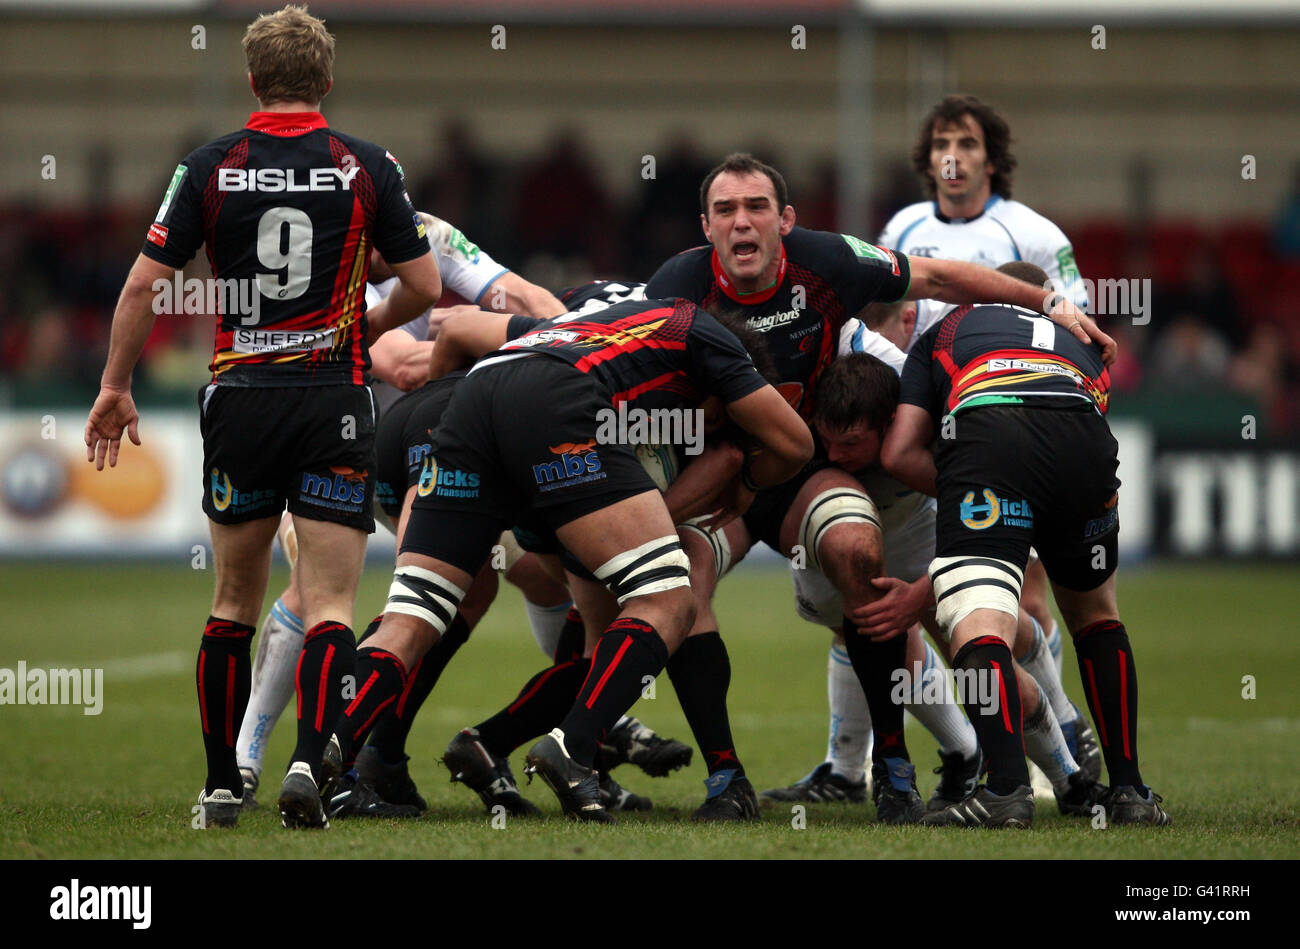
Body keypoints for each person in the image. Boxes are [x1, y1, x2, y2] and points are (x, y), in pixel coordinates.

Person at [644, 151, 1110, 822]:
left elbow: (942, 278)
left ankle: (922, 765)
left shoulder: (853, 296)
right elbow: (636, 377)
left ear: (786, 221)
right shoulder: (675, 288)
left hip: (823, 480)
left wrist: (1052, 304)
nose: (741, 222)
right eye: (726, 210)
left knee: (924, 602)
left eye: (756, 208)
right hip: (728, 478)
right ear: (706, 226)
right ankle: (727, 777)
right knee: (678, 581)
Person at [83, 5, 441, 830]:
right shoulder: (367, 164)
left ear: (252, 81)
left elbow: (143, 286)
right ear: (325, 82)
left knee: (233, 601)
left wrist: (115, 384)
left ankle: (218, 785)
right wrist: (366, 327)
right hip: (332, 399)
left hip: (240, 398)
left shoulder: (209, 165)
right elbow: (423, 285)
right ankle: (308, 766)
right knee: (328, 604)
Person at [326, 295, 814, 822]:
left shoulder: (583, 326)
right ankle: (574, 747)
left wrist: (444, 389)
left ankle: (325, 762)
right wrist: (742, 485)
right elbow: (796, 443)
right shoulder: (698, 331)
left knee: (419, 613)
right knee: (669, 598)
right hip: (552, 421)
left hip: (463, 410)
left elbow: (463, 327)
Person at [232, 211, 568, 811]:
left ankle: (373, 758)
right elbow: (405, 368)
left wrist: (559, 330)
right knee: (350, 599)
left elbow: (520, 292)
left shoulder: (426, 236)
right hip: (333, 450)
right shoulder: (333, 270)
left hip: (422, 449)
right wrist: (471, 333)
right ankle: (271, 760)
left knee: (509, 578)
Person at [883, 261, 1169, 827]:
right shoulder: (1081, 334)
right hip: (1084, 444)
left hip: (990, 436)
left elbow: (897, 452)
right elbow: (1086, 411)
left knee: (975, 620)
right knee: (1094, 616)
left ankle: (1007, 790)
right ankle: (1131, 792)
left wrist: (981, 490)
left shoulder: (946, 329)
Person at [878, 94, 1100, 787]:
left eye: (967, 143)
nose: (953, 156)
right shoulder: (903, 226)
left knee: (1019, 596)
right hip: (928, 420)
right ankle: (852, 759)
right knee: (904, 592)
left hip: (1012, 425)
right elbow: (894, 316)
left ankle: (1056, 735)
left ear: (992, 159)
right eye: (942, 142)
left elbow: (1078, 325)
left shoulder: (1030, 233)